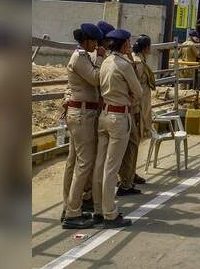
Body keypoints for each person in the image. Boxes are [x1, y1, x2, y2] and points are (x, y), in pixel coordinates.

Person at [92, 29, 140, 228]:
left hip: (104, 114)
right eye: (128, 43)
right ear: (123, 45)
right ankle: (110, 213)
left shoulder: (106, 62)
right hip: (119, 116)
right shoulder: (124, 64)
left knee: (100, 165)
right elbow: (138, 90)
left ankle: (98, 209)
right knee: (111, 167)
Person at [60, 23, 104, 229]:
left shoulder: (84, 56)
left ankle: (70, 205)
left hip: (84, 112)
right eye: (94, 41)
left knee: (77, 160)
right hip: (82, 113)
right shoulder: (79, 57)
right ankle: (72, 211)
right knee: (84, 163)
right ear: (86, 40)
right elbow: (96, 78)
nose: (96, 45)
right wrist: (102, 58)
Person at [118, 35, 154, 196]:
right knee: (131, 144)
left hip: (139, 107)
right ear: (146, 48)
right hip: (135, 108)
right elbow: (135, 88)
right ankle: (127, 177)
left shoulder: (139, 61)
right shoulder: (138, 64)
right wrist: (136, 110)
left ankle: (130, 174)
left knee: (134, 143)